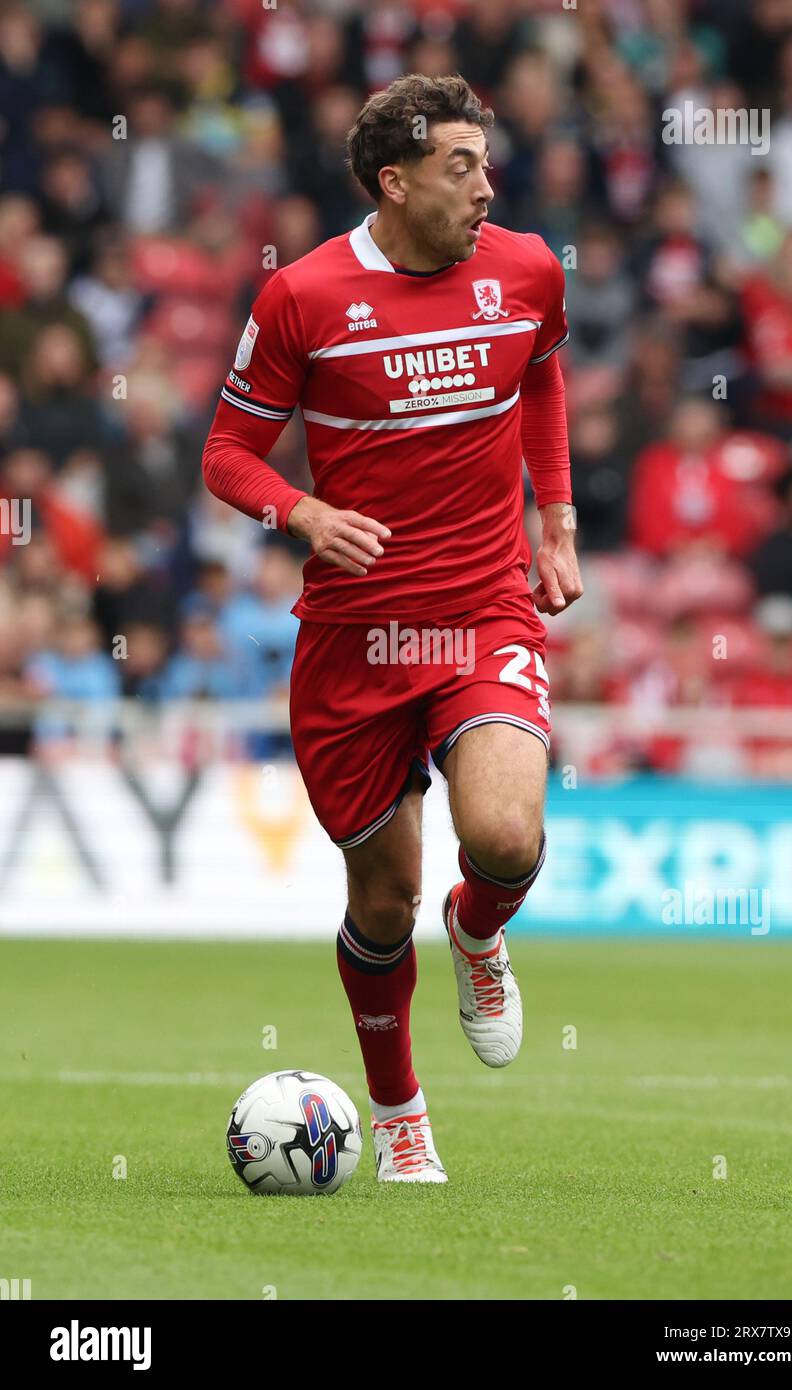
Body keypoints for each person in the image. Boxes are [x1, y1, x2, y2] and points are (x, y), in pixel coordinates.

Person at [202, 74, 581, 1184]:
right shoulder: (304, 299)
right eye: (461, 167)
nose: (484, 186)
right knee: (380, 898)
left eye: (485, 161)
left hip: (480, 609)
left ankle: (479, 932)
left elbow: (543, 372)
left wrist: (554, 520)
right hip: (355, 641)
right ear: (394, 181)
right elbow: (226, 454)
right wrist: (304, 511)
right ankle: (400, 1114)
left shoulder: (525, 269)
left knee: (505, 837)